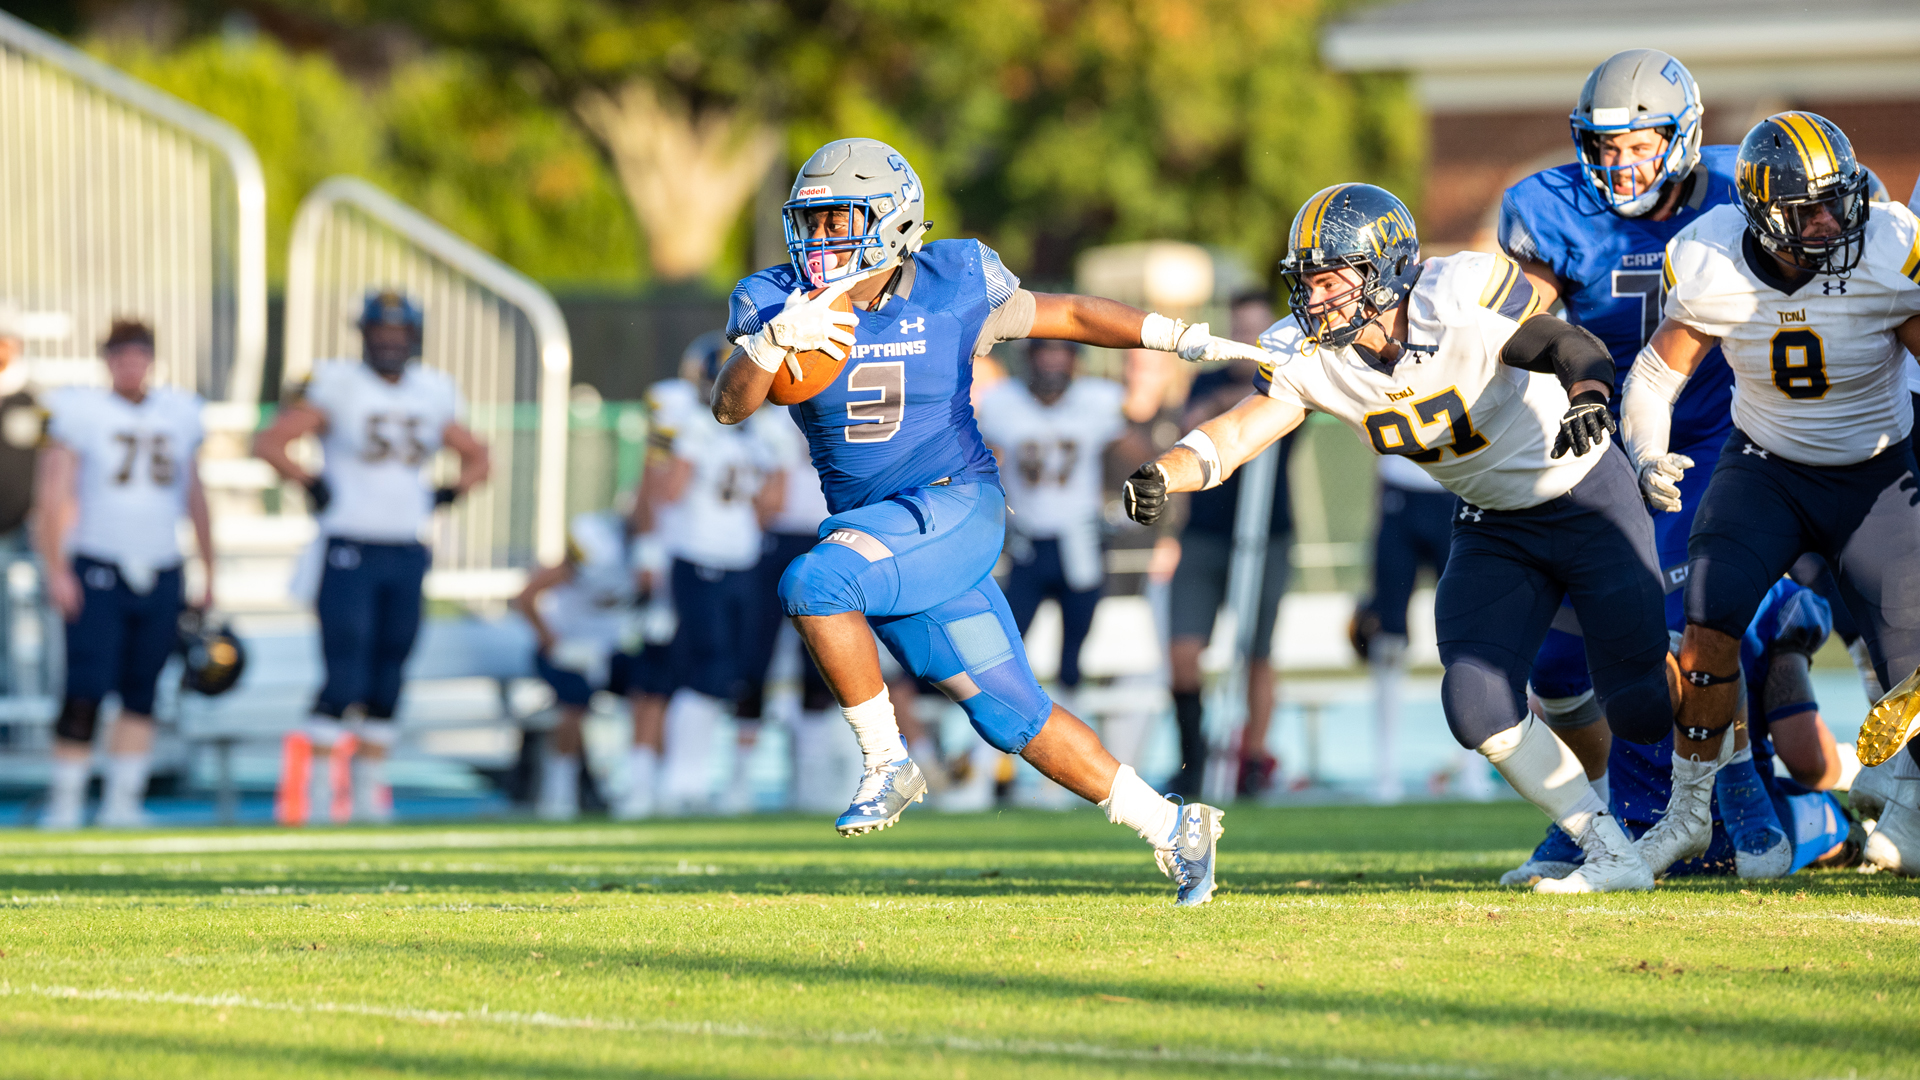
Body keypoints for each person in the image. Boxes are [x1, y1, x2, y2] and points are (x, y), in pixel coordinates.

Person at [714, 138, 1262, 905]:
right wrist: (769, 344)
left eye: (841, 219)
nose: (822, 240)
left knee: (815, 580)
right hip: (884, 529)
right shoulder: (776, 299)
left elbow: (1064, 312)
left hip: (955, 504)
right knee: (1012, 717)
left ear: (894, 222)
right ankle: (1175, 828)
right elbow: (730, 405)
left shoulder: (953, 279)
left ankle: (886, 764)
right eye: (812, 221)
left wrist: (1174, 336)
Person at [1127, 182, 1678, 893]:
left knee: (1638, 698)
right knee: (1476, 701)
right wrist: (1166, 472)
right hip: (1492, 521)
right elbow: (1240, 430)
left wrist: (1589, 397)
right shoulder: (1311, 353)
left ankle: (1711, 798)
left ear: (1382, 269)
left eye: (1329, 280)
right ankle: (1606, 847)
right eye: (1307, 282)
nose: (1313, 299)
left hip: (1583, 493)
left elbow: (1570, 344)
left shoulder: (1460, 294)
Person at [1492, 49, 1773, 870]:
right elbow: (1521, 327)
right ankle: (1601, 808)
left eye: (1640, 144)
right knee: (1554, 659)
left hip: (1720, 429)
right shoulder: (1547, 208)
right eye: (1606, 146)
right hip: (1600, 437)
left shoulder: (1739, 183)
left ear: (1682, 136)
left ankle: (1731, 789)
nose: (1621, 164)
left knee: (1678, 618)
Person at [1620, 112, 1920, 877]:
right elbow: (1655, 376)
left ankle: (1909, 800)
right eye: (1809, 210)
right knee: (1707, 621)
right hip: (1766, 467)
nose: (1833, 221)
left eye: (1838, 200)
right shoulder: (1711, 256)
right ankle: (1690, 812)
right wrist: (1648, 452)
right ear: (1760, 215)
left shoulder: (1887, 245)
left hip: (1877, 469)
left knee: (1909, 663)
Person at [255, 291, 491, 824]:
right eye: (380, 333)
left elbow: (479, 456)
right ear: (364, 336)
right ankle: (317, 796)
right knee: (344, 669)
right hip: (349, 546)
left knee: (390, 672)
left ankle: (368, 795)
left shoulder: (432, 391)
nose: (389, 342)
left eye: (397, 333)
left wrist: (448, 494)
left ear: (414, 337)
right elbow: (270, 441)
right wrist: (308, 481)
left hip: (405, 548)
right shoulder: (337, 384)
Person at [1507, 579, 1855, 881]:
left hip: (1617, 840)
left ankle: (1570, 840)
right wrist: (1850, 767)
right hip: (1739, 839)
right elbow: (1807, 760)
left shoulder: (1596, 579)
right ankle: (1842, 837)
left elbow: (1548, 713)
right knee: (1823, 811)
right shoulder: (1775, 597)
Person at [34, 319, 212, 829]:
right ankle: (66, 803)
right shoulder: (81, 412)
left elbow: (195, 494)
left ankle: (121, 801)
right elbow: (53, 493)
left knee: (143, 687)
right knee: (85, 686)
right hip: (98, 562)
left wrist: (208, 565)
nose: (130, 365)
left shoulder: (178, 413)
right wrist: (57, 565)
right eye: (121, 356)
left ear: (151, 359)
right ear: (107, 361)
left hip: (161, 563)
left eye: (138, 355)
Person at [1164, 290, 1298, 799]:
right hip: (1205, 534)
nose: (1247, 339)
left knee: (1258, 653)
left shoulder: (1290, 380)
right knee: (1183, 650)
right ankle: (1192, 760)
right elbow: (1190, 426)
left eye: (1257, 330)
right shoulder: (1209, 381)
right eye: (1240, 328)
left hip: (1269, 535)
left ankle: (1254, 759)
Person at [976, 339, 1148, 701]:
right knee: (1009, 645)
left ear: (1074, 360)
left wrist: (1140, 494)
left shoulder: (1098, 400)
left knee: (1073, 658)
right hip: (1027, 540)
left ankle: (1070, 729)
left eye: (1062, 354)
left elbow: (1138, 458)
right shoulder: (1001, 402)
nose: (1053, 362)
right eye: (1045, 353)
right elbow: (977, 461)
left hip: (1081, 539)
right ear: (1029, 357)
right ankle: (998, 744)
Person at [653, 340, 783, 816]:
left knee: (735, 670)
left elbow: (773, 504)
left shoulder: (763, 434)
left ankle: (695, 778)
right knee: (705, 666)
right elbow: (668, 491)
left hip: (742, 561)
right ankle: (681, 779)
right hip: (697, 559)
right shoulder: (691, 425)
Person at [618, 354, 704, 819]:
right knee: (652, 680)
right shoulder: (675, 409)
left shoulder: (750, 425)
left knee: (686, 677)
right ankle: (640, 784)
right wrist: (648, 550)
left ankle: (672, 779)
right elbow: (653, 483)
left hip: (706, 563)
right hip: (669, 560)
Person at [512, 510, 636, 821]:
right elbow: (525, 597)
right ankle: (561, 788)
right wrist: (553, 642)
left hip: (610, 650)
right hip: (568, 650)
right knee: (574, 700)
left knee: (651, 689)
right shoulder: (577, 562)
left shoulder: (644, 554)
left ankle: (634, 782)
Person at [1349, 454, 1456, 803]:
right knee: (1387, 641)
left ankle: (1475, 771)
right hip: (1400, 494)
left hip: (1455, 488)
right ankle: (1385, 773)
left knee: (1467, 638)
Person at [0, 305, 46, 696]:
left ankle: (45, 704)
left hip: (28, 527)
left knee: (46, 619)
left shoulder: (35, 401)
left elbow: (52, 461)